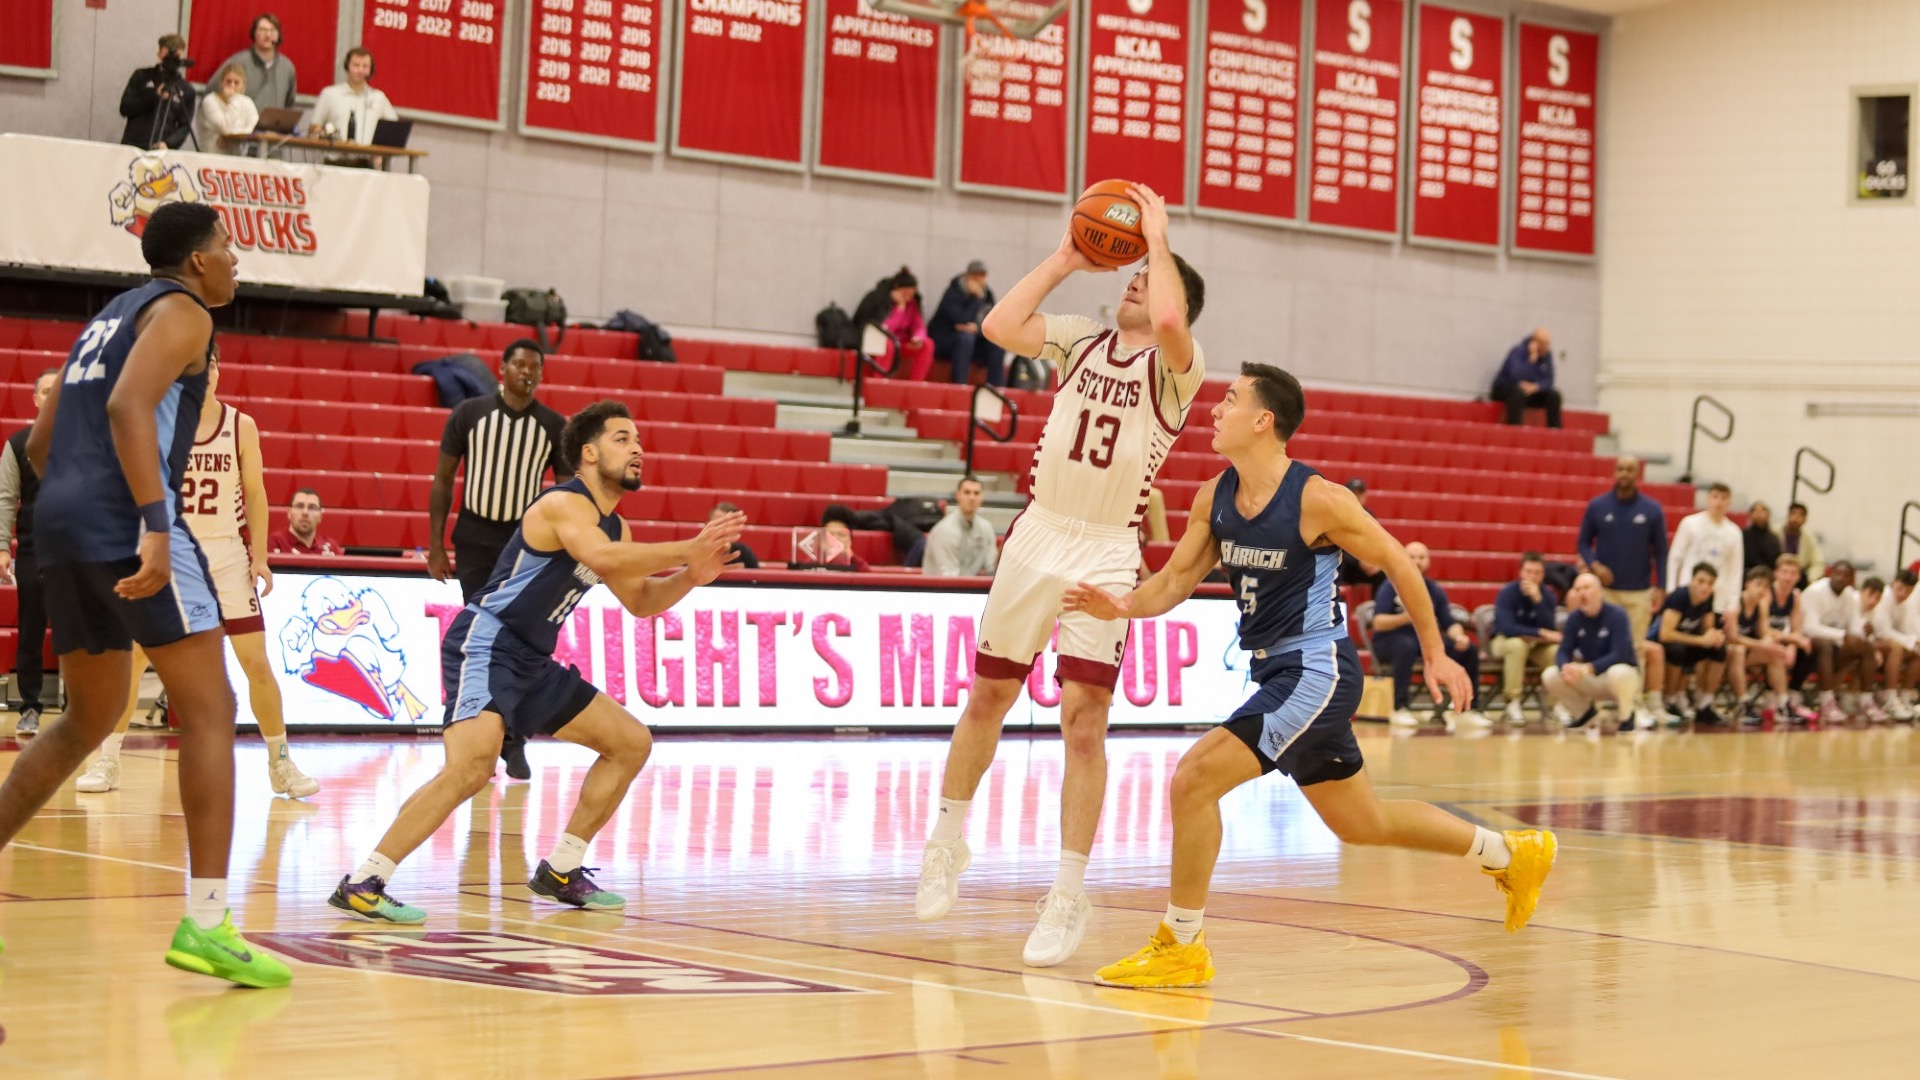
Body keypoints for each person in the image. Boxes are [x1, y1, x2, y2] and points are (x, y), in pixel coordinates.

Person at [1061, 365, 1556, 989]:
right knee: (1361, 823)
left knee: (1191, 781)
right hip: (1276, 672)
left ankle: (1181, 944)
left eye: (1230, 400)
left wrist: (1434, 652)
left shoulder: (1319, 498)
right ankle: (1511, 854)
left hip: (1315, 668)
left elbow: (1398, 562)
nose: (1216, 410)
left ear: (1264, 420)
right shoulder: (1214, 497)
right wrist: (1122, 604)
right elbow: (1174, 580)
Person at [916, 183, 1207, 969]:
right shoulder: (1081, 339)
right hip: (1039, 533)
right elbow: (999, 325)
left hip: (1107, 548)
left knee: (1085, 722)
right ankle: (949, 838)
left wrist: (1157, 237)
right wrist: (1065, 257)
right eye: (1129, 274)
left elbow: (1174, 317)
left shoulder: (1179, 371)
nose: (1132, 281)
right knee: (989, 695)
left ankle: (1068, 891)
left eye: (1143, 277)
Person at [0, 202, 289, 986]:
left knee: (89, 716)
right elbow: (130, 407)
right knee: (210, 709)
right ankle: (206, 922)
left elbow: (37, 443)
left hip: (58, 523)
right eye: (227, 248)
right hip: (130, 523)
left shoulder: (107, 318)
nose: (236, 260)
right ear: (197, 260)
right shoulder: (186, 313)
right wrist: (156, 525)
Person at [328, 402, 745, 923]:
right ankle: (366, 879)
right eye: (623, 438)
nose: (637, 448)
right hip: (487, 642)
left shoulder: (620, 529)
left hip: (532, 660)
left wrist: (691, 576)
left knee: (630, 743)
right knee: (472, 768)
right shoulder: (561, 504)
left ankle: (563, 869)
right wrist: (690, 546)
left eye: (638, 439)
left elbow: (639, 601)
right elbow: (605, 561)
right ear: (589, 454)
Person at [74, 351, 319, 797]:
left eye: (211, 367)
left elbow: (257, 494)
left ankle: (280, 763)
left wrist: (260, 556)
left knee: (257, 665)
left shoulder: (240, 425)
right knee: (133, 663)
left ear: (218, 371)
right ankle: (107, 759)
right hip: (173, 561)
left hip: (226, 560)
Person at [429, 339, 571, 781]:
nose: (527, 372)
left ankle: (514, 737)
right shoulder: (470, 414)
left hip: (525, 544)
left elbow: (568, 495)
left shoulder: (552, 425)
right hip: (474, 536)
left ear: (541, 375)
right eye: (519, 364)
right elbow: (443, 479)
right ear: (502, 369)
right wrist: (435, 545)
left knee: (520, 639)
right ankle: (484, 735)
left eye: (535, 367)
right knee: (486, 634)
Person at [1577, 455, 1668, 701]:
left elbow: (1661, 551)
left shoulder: (1651, 509)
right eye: (1620, 469)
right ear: (1614, 472)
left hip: (1638, 591)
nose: (1624, 474)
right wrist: (1595, 565)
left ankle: (1633, 700)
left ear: (1637, 474)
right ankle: (1595, 698)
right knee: (1600, 645)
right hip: (1605, 592)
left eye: (1630, 469)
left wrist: (1661, 585)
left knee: (1636, 647)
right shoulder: (1598, 506)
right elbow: (1583, 542)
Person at [0, 369, 60, 737]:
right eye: (46, 391)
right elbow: (5, 499)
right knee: (31, 631)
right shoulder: (18, 444)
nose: (52, 396)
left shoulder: (85, 442)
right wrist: (1, 547)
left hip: (78, 553)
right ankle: (30, 706)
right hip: (34, 552)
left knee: (79, 630)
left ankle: (83, 710)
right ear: (35, 399)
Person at [1370, 542, 1486, 729]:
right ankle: (1400, 708)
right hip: (1391, 641)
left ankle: (1468, 710)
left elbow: (1450, 623)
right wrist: (1407, 617)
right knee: (1405, 646)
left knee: (1469, 650)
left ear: (1429, 561)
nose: (1417, 562)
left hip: (1422, 642)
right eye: (1412, 557)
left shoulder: (1433, 590)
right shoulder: (1390, 585)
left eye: (1422, 557)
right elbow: (1378, 622)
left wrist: (1459, 637)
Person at [1542, 573, 1646, 730]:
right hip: (1591, 676)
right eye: (1578, 590)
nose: (1582, 593)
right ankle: (1585, 714)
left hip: (1616, 677)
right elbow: (1563, 651)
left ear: (1600, 592)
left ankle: (1627, 716)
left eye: (1586, 588)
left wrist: (1588, 668)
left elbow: (1621, 654)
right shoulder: (1574, 618)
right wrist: (1566, 667)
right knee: (1550, 675)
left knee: (1620, 672)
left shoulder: (1617, 615)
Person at [1650, 563, 1729, 725]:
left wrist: (1714, 635)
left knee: (1718, 649)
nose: (1705, 587)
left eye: (1710, 583)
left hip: (1687, 642)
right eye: (1701, 581)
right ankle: (1670, 700)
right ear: (1692, 580)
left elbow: (1708, 627)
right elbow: (1665, 634)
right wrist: (1700, 640)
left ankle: (1705, 704)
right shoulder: (1679, 597)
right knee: (1678, 651)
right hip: (1661, 643)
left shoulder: (1708, 598)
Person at [1489, 552, 1562, 726]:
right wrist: (1539, 633)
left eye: (1537, 573)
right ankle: (1512, 703)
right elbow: (1507, 628)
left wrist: (1538, 601)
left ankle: (1555, 706)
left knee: (1555, 651)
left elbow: (1550, 626)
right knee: (1517, 645)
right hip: (1503, 641)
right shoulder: (1507, 593)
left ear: (1543, 575)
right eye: (1529, 571)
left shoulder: (1547, 596)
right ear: (1521, 573)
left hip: (1535, 646)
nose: (1533, 576)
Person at [1801, 561, 1871, 723]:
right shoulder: (1815, 591)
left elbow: (1854, 628)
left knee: (1865, 647)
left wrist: (1862, 632)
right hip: (1806, 641)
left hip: (1835, 642)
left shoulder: (1850, 596)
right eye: (1838, 574)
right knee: (1825, 646)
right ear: (1830, 574)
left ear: (1851, 579)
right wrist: (1842, 635)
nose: (1841, 578)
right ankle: (1826, 703)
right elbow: (1810, 628)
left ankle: (1866, 701)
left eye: (1846, 576)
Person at [1729, 566, 1797, 726]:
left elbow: (1764, 631)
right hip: (1723, 653)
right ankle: (1743, 704)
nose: (1761, 590)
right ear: (1748, 584)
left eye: (1766, 587)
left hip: (1747, 650)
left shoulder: (1761, 605)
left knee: (1775, 653)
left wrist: (1770, 644)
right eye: (1758, 584)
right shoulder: (1735, 603)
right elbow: (1732, 637)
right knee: (1738, 650)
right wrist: (1761, 644)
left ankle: (1783, 704)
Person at [1667, 483, 1742, 616]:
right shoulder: (1690, 523)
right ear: (1708, 499)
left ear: (1729, 503)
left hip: (1718, 599)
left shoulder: (1734, 532)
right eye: (1715, 497)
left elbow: (1736, 569)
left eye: (1723, 498)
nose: (1718, 502)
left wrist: (1733, 603)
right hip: (1689, 594)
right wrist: (1671, 588)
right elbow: (1675, 557)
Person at [929, 261, 1005, 386]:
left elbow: (991, 323)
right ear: (968, 276)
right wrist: (975, 299)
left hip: (973, 341)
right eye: (975, 276)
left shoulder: (987, 295)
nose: (978, 280)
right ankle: (960, 387)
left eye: (982, 276)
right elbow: (961, 319)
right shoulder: (953, 293)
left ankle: (996, 390)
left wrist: (978, 330)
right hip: (946, 342)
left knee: (997, 344)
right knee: (965, 338)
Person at [120, 34, 197, 150]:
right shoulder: (141, 76)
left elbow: (185, 125)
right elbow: (125, 108)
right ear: (159, 54)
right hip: (134, 146)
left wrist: (169, 143)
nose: (171, 59)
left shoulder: (187, 90)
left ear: (183, 57)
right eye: (167, 55)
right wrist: (155, 96)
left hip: (162, 149)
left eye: (176, 55)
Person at [1766, 554, 1819, 724]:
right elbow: (1763, 629)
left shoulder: (1795, 597)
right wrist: (1791, 641)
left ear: (1798, 577)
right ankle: (1775, 700)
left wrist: (1793, 646)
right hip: (1763, 639)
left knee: (1810, 647)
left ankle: (1794, 694)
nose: (1788, 577)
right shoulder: (1767, 593)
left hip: (1781, 639)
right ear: (1776, 573)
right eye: (1784, 572)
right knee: (1777, 649)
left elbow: (1797, 629)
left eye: (1792, 573)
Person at [310, 47, 396, 146]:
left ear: (371, 70)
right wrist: (324, 134)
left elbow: (394, 130)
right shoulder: (330, 94)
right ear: (347, 66)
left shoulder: (378, 98)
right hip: (334, 159)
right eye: (356, 65)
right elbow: (314, 126)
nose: (360, 70)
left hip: (367, 159)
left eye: (365, 66)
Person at [1858, 576, 1916, 721]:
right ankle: (1890, 698)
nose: (1903, 594)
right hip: (1875, 642)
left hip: (1875, 642)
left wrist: (1913, 641)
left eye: (1908, 591)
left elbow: (1907, 629)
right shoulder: (1884, 597)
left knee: (1917, 653)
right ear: (1894, 583)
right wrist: (1911, 641)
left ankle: (1904, 698)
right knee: (1896, 648)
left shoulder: (1906, 603)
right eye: (1900, 589)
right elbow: (1883, 632)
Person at [217, 12, 297, 111]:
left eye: (272, 30)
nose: (268, 35)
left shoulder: (287, 67)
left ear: (278, 35)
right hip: (242, 125)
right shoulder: (238, 62)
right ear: (254, 33)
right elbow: (213, 93)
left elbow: (289, 104)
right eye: (263, 30)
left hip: (274, 126)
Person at [923, 477, 998, 577]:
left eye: (976, 493)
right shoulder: (945, 530)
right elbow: (949, 579)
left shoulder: (986, 528)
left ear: (982, 497)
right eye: (967, 492)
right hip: (938, 590)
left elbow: (991, 569)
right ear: (958, 495)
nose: (972, 497)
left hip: (970, 589)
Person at [1490, 328, 1561, 428]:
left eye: (1548, 344)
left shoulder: (1547, 355)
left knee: (1554, 395)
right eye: (1543, 344)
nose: (1546, 347)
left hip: (1530, 391)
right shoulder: (1518, 351)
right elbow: (1516, 377)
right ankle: (1516, 429)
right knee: (1519, 391)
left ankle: (1555, 431)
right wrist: (1532, 360)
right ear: (1535, 342)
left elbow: (1549, 380)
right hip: (1506, 389)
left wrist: (1537, 386)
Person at [879, 269, 935, 381]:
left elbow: (919, 325)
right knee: (888, 344)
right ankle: (879, 380)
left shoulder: (913, 305)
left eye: (911, 294)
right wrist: (900, 308)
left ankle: (916, 382)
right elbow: (885, 329)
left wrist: (917, 338)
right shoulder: (884, 302)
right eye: (905, 293)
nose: (908, 297)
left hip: (902, 342)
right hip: (886, 341)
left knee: (928, 344)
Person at [194, 62, 260, 156]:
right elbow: (226, 127)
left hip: (238, 156)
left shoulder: (247, 102)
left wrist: (231, 138)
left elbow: (252, 127)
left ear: (243, 86)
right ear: (221, 83)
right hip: (212, 155)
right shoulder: (210, 101)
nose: (232, 86)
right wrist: (234, 99)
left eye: (236, 83)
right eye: (228, 81)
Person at [1335, 477, 1384, 597]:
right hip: (1345, 562)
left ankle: (1376, 608)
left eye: (1359, 494)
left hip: (1360, 565)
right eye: (1353, 494)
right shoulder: (1336, 514)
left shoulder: (1370, 516)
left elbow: (1375, 542)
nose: (1356, 498)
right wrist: (1358, 561)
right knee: (1337, 561)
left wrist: (1373, 562)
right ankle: (1336, 601)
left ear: (1364, 496)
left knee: (1381, 572)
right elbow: (1337, 544)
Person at [268, 487, 343, 554]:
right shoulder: (273, 543)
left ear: (320, 516)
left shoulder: (332, 548)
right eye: (299, 506)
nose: (305, 512)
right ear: (289, 513)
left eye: (312, 508)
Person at [1780, 502, 1824, 584]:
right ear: (1787, 516)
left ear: (1805, 520)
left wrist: (1811, 578)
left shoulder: (1809, 538)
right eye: (1793, 514)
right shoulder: (1775, 532)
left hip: (1799, 577)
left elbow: (1817, 562)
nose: (1795, 518)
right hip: (1778, 574)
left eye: (1800, 516)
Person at [711, 502, 759, 569]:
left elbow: (757, 578)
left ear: (736, 529)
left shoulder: (744, 553)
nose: (721, 530)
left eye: (727, 526)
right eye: (717, 524)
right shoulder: (697, 551)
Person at [1742, 500, 1781, 575]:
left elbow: (1776, 559)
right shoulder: (1743, 535)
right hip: (1748, 574)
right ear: (1750, 515)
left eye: (1762, 511)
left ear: (1768, 515)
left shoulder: (1773, 538)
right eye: (1756, 511)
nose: (1759, 515)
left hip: (1769, 575)